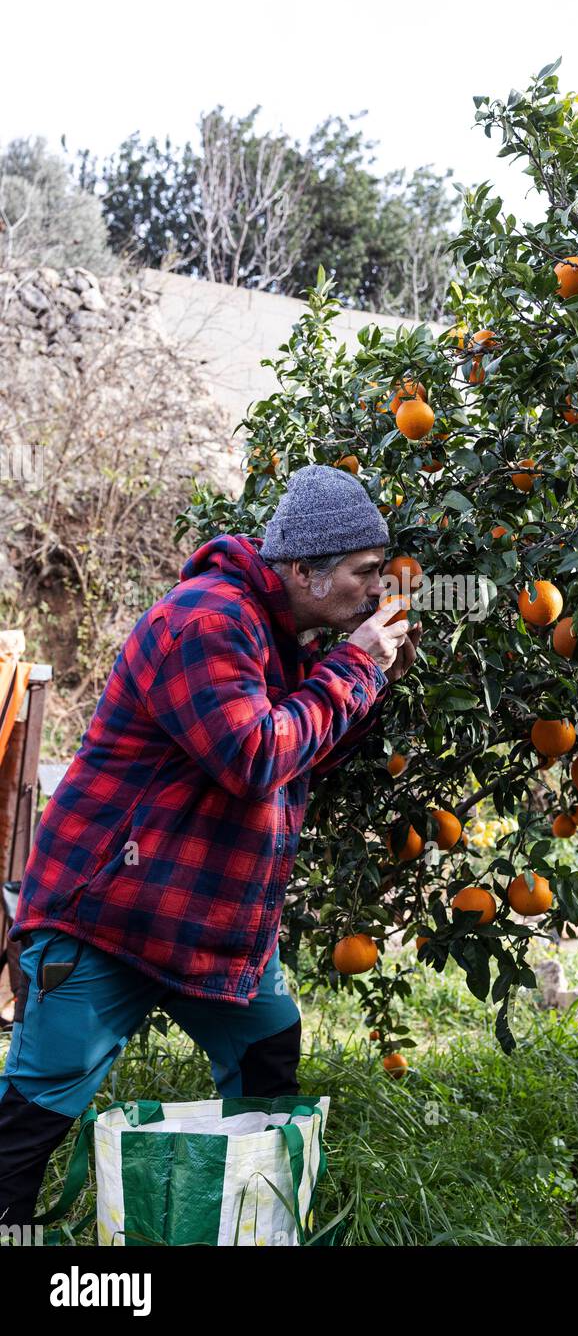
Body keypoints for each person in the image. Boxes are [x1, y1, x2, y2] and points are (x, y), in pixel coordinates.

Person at [0, 464, 421, 1225]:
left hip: (204, 921)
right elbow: (255, 755)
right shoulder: (207, 622)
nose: (375, 590)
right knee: (39, 1103)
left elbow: (300, 751)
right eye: (363, 573)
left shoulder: (283, 633)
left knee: (268, 1046)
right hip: (107, 917)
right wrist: (354, 666)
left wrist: (366, 682)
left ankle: (245, 1217)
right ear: (303, 570)